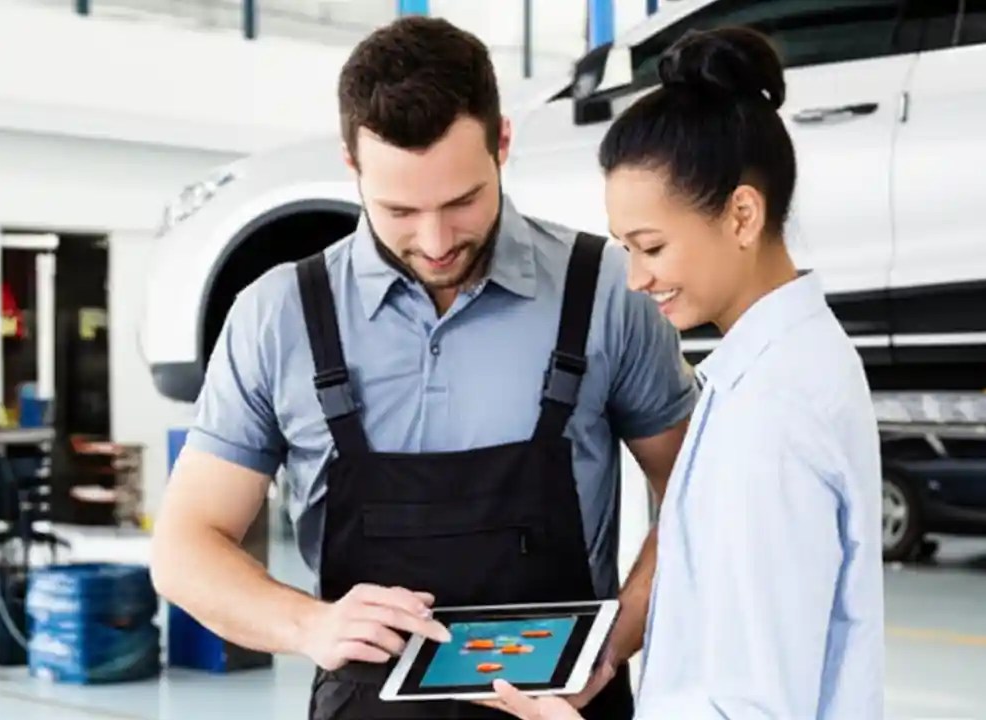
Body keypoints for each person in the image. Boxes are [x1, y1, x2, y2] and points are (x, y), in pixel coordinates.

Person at [148, 15, 698, 720]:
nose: (435, 241)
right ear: (353, 166)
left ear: (503, 142)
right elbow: (185, 546)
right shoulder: (278, 317)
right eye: (400, 209)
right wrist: (308, 624)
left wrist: (613, 646)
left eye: (462, 201)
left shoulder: (609, 295)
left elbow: (695, 500)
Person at [485, 26, 885, 720]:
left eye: (652, 247)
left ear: (741, 215)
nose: (635, 279)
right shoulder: (779, 368)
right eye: (624, 249)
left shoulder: (774, 416)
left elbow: (752, 705)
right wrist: (608, 652)